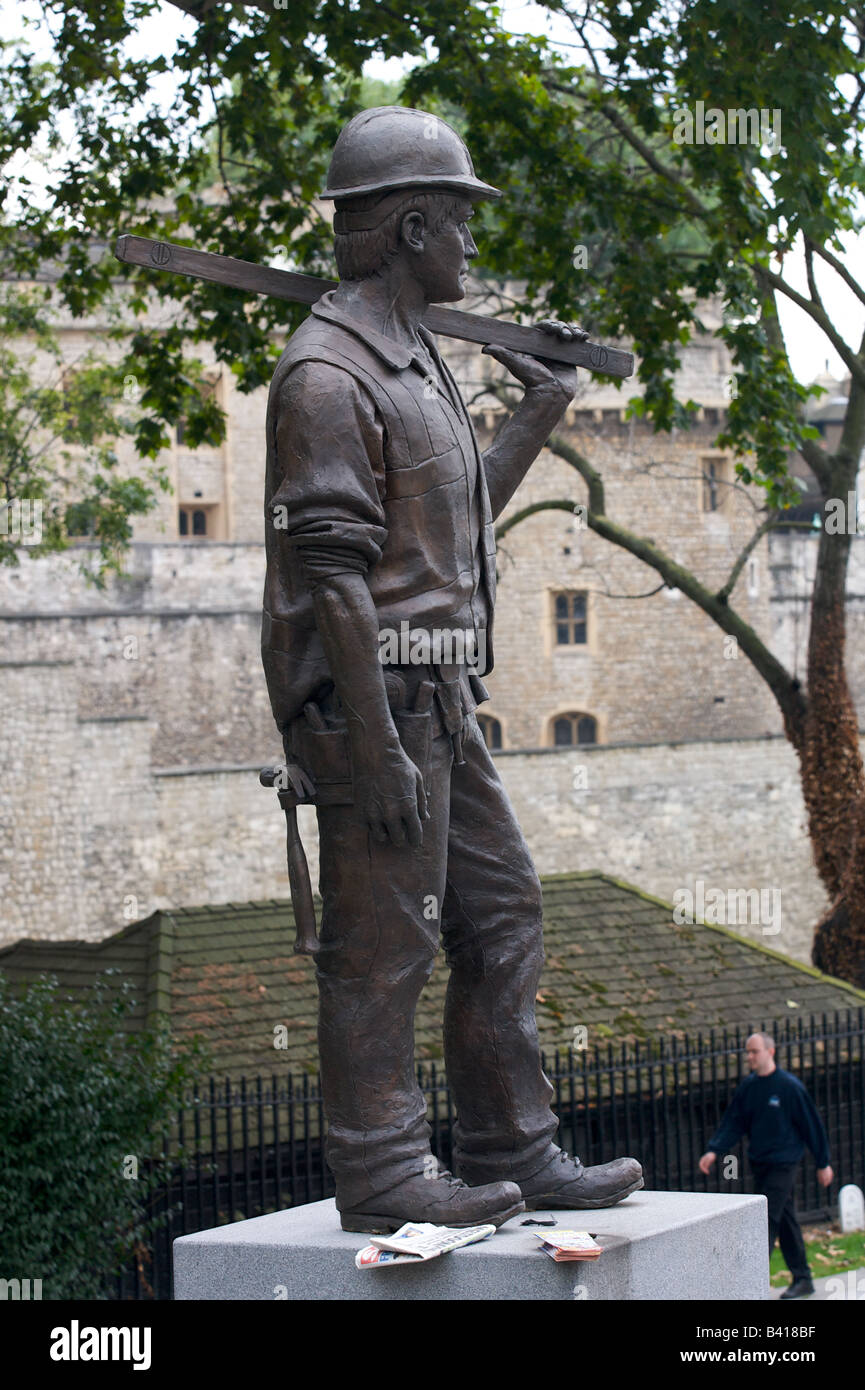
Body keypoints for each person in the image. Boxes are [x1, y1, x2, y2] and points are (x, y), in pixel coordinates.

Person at [261, 106, 643, 1233]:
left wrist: (540, 401)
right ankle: (380, 1172)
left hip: (439, 701)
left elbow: (464, 511)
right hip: (374, 710)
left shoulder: (415, 356)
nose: (472, 247)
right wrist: (373, 748)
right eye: (460, 224)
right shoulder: (324, 376)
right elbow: (331, 577)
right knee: (383, 949)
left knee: (501, 913)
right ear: (410, 225)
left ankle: (509, 1145)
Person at [699, 1032, 833, 1299]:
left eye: (754, 1051)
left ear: (770, 1052)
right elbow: (733, 1123)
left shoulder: (789, 1087)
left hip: (784, 1163)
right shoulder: (749, 1088)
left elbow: (811, 1125)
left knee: (766, 1218)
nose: (749, 1056)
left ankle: (749, 1283)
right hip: (759, 1162)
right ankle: (803, 1278)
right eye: (747, 1052)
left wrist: (823, 1162)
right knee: (786, 1220)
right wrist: (715, 1151)